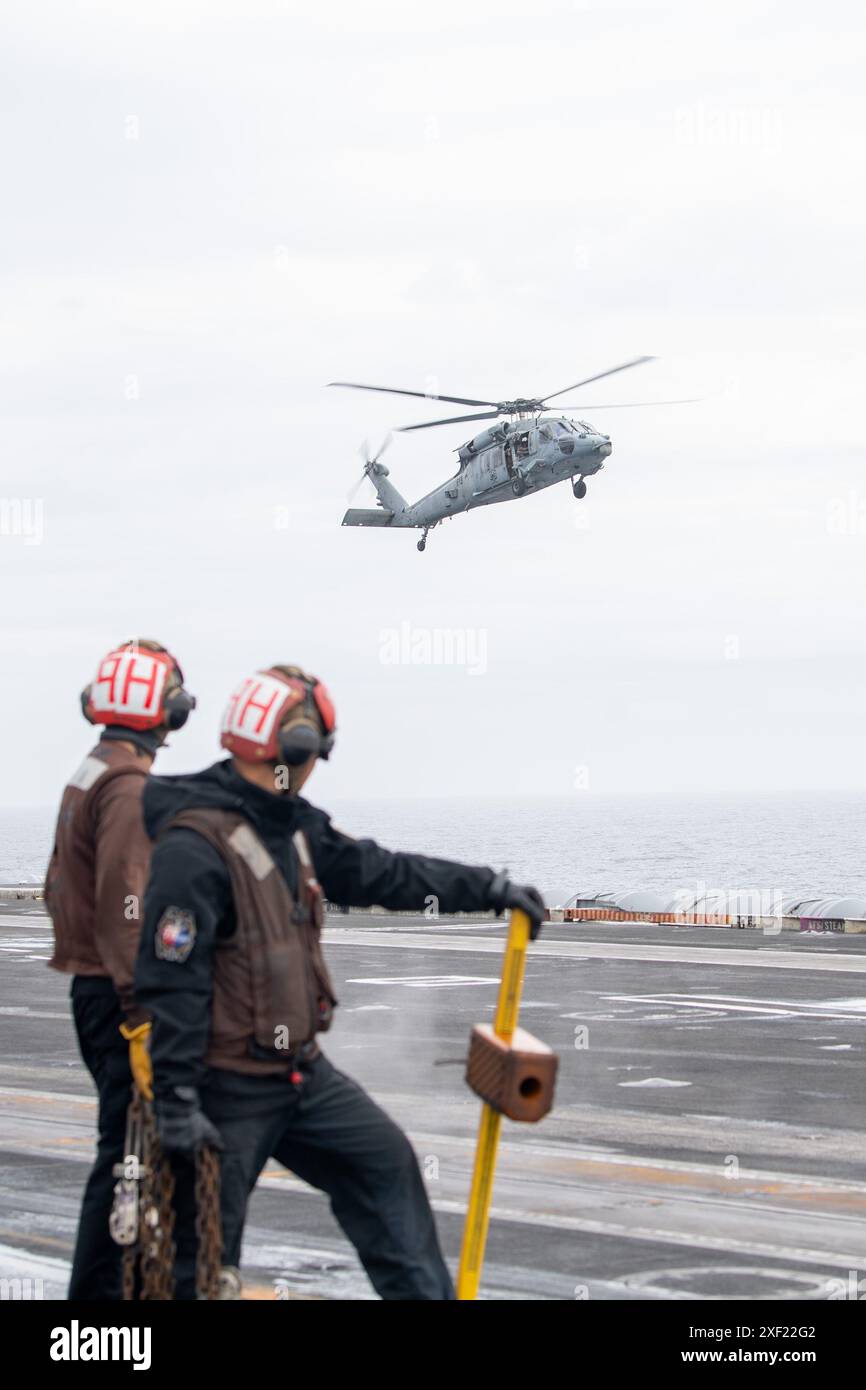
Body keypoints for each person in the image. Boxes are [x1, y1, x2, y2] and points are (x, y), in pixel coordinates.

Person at [134, 663, 545, 1300]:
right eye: (316, 750)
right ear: (297, 746)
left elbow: (382, 872)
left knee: (386, 1166)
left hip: (299, 1076)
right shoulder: (195, 846)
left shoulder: (289, 826)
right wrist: (177, 1103)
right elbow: (170, 982)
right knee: (201, 1258)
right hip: (224, 1088)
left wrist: (488, 887)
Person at [46, 639, 196, 1299]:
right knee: (127, 1163)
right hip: (119, 999)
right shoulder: (129, 787)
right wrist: (143, 1012)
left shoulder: (92, 769)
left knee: (123, 1159)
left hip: (94, 988)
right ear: (165, 712)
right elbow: (124, 908)